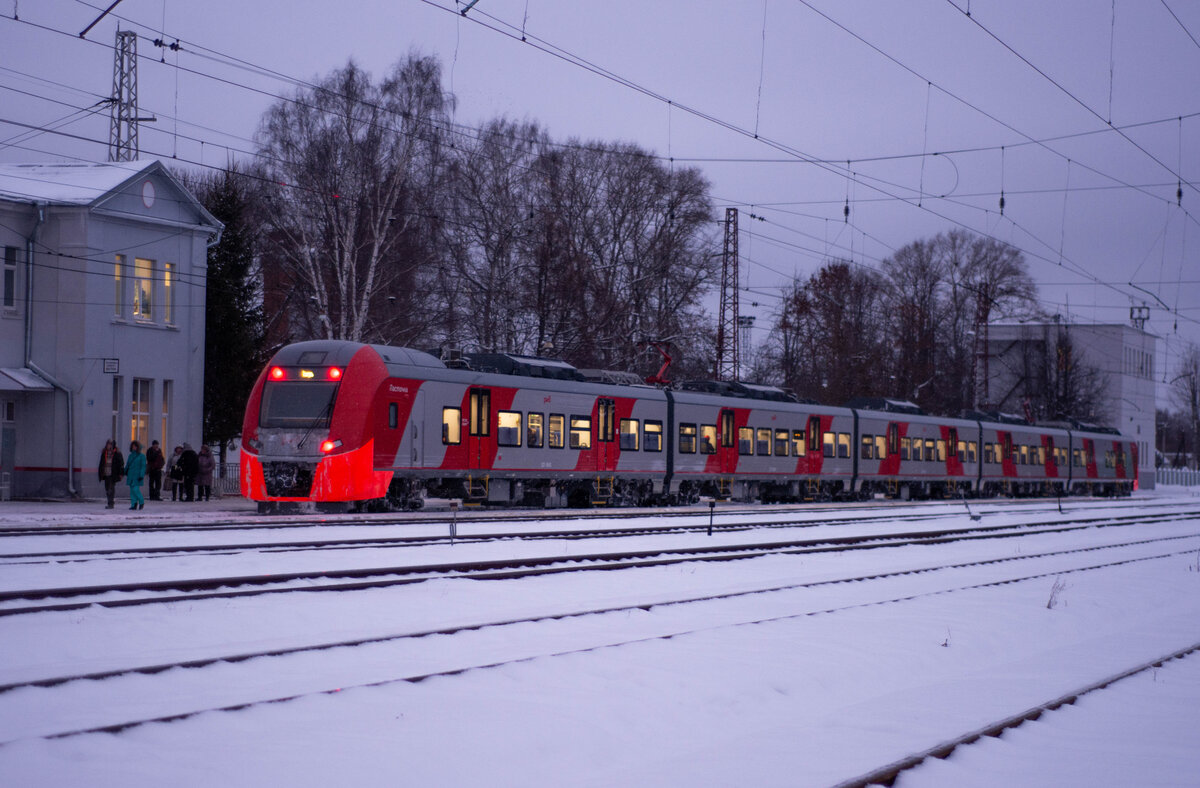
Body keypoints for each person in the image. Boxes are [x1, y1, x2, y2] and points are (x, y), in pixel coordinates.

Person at [97, 439, 124, 509]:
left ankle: (111, 503)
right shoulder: (104, 453)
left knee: (111, 488)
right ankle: (109, 502)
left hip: (113, 474)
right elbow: (101, 463)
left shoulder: (117, 453)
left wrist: (121, 473)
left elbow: (121, 464)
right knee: (107, 489)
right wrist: (100, 473)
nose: (109, 446)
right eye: (108, 444)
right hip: (106, 473)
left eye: (111, 444)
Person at [125, 440, 147, 511]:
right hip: (131, 475)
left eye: (135, 446)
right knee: (132, 490)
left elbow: (143, 466)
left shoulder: (142, 456)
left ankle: (141, 501)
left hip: (137, 475)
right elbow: (127, 465)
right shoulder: (130, 456)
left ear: (138, 447)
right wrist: (124, 472)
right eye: (133, 446)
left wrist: (141, 475)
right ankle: (133, 504)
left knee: (135, 489)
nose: (133, 447)